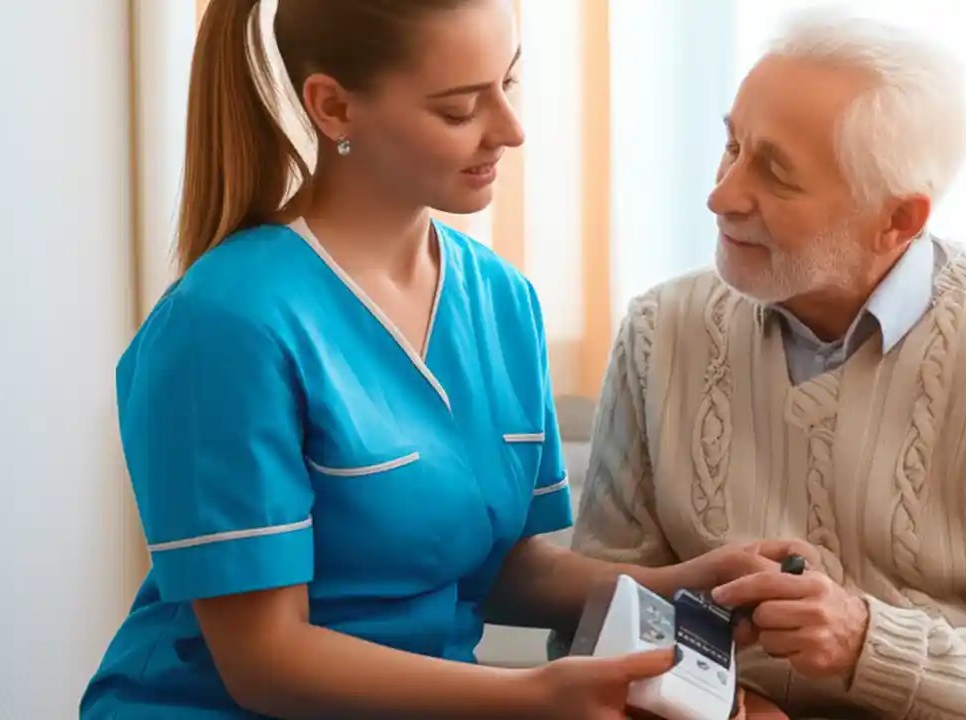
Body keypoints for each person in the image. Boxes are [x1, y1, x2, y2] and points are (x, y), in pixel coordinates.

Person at [80, 1, 792, 718]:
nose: (511, 130)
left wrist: (683, 585)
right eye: (459, 110)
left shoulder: (502, 300)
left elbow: (496, 568)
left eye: (508, 84)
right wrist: (530, 697)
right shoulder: (227, 325)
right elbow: (264, 662)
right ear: (333, 107)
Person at [569, 8, 966, 719]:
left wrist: (867, 643)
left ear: (898, 220)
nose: (720, 195)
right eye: (732, 146)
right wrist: (737, 707)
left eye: (775, 173)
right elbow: (592, 626)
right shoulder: (659, 332)